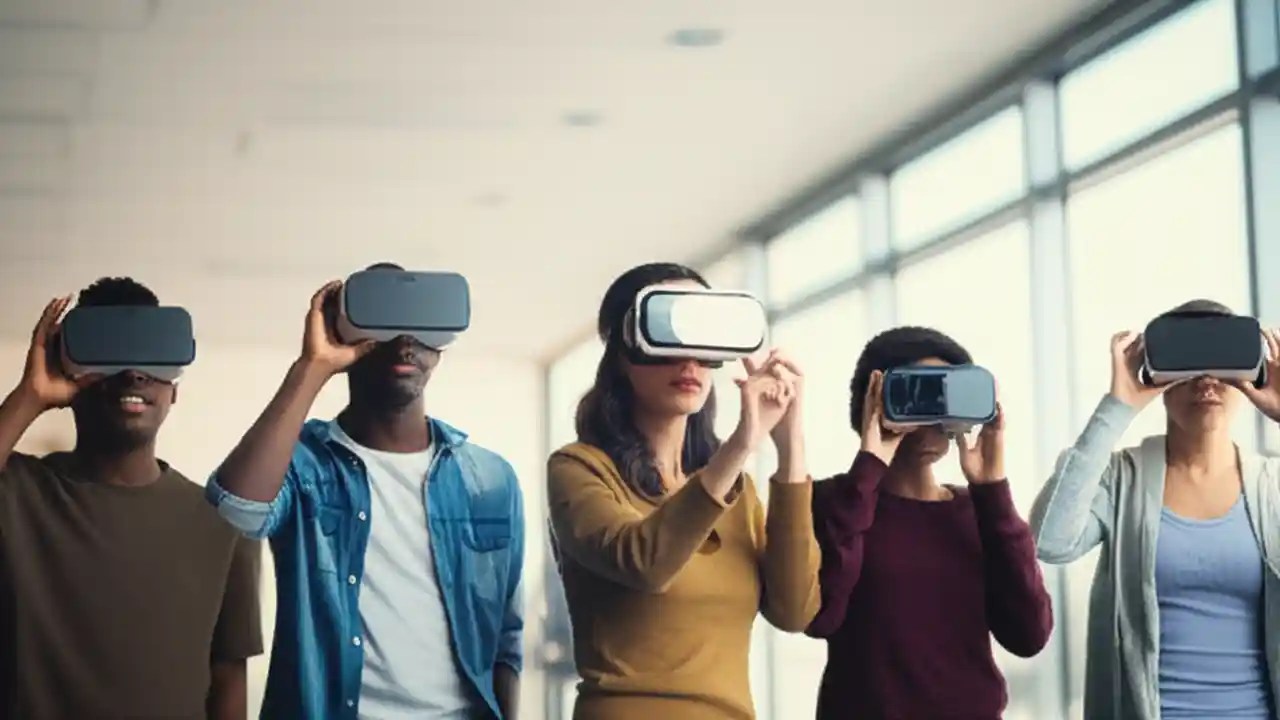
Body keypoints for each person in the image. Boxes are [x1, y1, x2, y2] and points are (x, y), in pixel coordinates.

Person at [204, 263, 525, 719]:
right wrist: (312, 367)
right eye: (383, 318)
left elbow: (505, 641)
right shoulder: (302, 465)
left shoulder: (491, 479)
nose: (405, 338)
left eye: (420, 320)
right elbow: (236, 511)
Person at [545, 262, 821, 720]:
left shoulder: (736, 489)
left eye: (701, 340)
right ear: (623, 353)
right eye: (667, 337)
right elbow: (646, 563)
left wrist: (789, 444)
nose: (688, 360)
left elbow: (796, 610)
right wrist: (741, 444)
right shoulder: (579, 468)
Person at [0, 278, 263, 719]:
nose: (133, 372)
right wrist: (31, 396)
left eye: (151, 354)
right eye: (108, 353)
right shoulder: (18, 494)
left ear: (174, 391)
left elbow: (228, 678)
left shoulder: (223, 521)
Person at [1031, 299, 1280, 720]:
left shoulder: (1273, 486)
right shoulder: (1119, 477)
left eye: (1221, 364)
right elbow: (1048, 542)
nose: (1206, 381)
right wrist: (1117, 405)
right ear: (1158, 378)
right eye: (1187, 366)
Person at [807, 326, 1053, 719]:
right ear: (872, 402)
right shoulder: (832, 501)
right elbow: (820, 616)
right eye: (915, 394)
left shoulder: (979, 509)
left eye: (943, 395)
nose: (932, 413)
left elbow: (1029, 635)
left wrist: (993, 490)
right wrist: (868, 467)